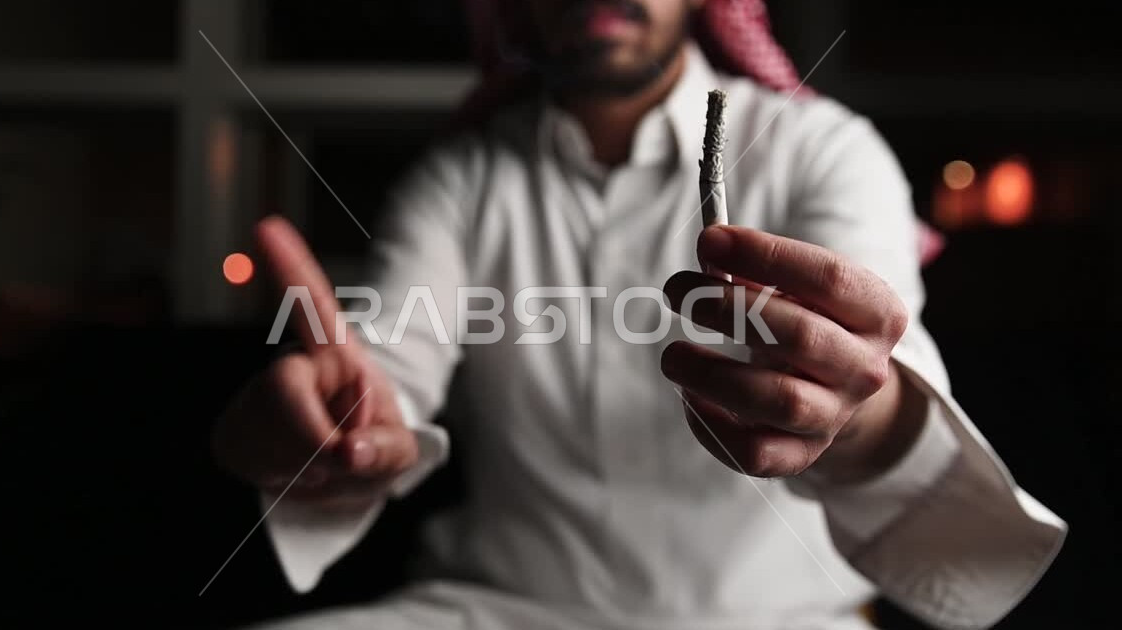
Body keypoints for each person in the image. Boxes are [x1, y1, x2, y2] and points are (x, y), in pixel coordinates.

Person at [213, 1, 1066, 628]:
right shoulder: (462, 182)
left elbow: (888, 372)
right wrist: (332, 429)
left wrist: (855, 412)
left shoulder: (825, 152)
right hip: (505, 611)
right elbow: (389, 372)